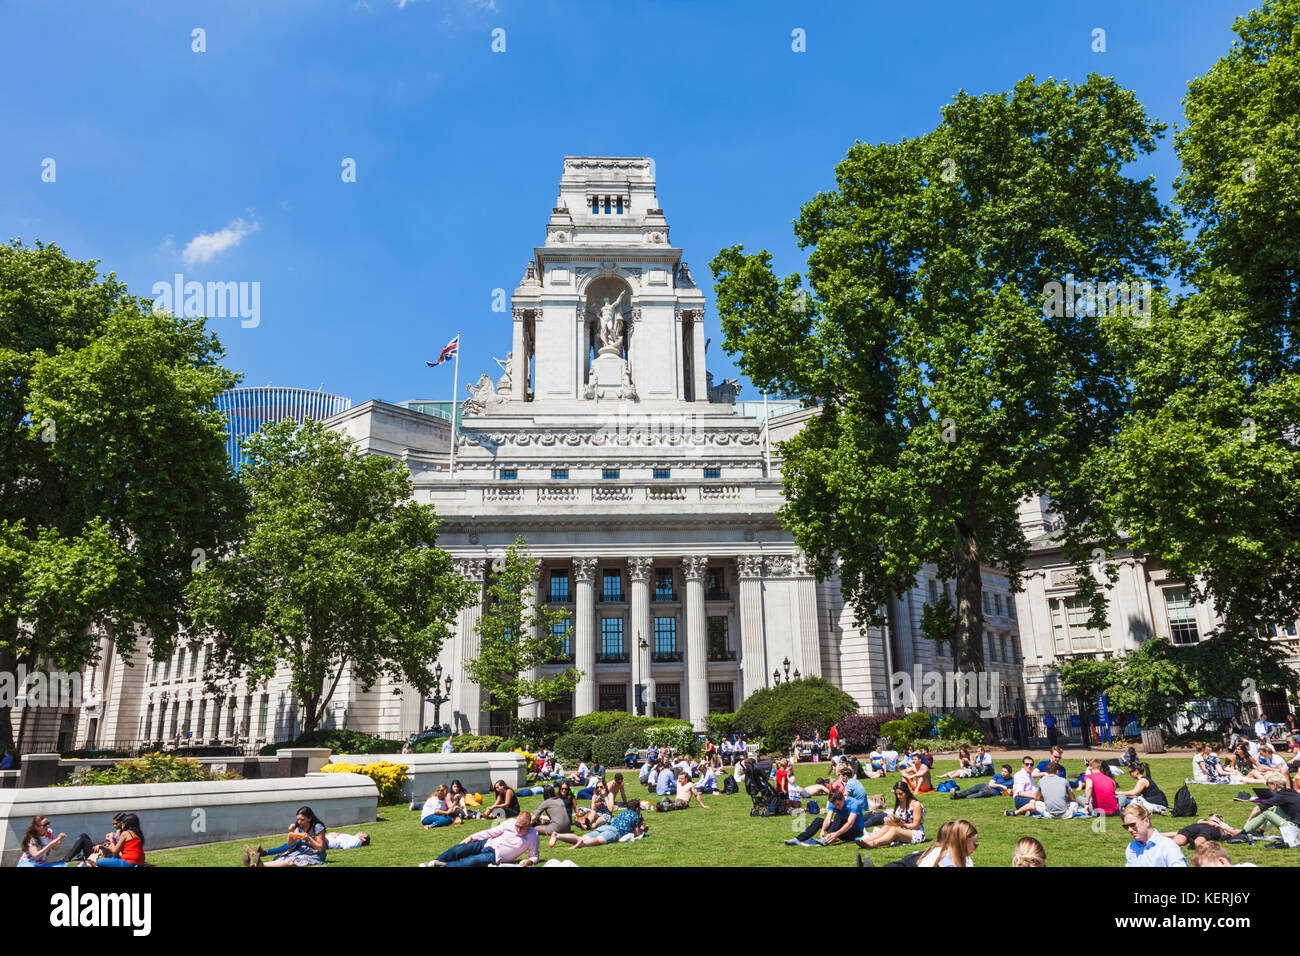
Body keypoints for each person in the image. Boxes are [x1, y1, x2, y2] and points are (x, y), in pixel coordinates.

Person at [424, 811, 540, 867]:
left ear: (529, 825)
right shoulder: (510, 822)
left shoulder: (533, 835)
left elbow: (534, 856)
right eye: (517, 826)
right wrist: (472, 837)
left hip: (495, 855)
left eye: (521, 828)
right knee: (460, 848)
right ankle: (435, 862)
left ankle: (442, 866)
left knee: (471, 861)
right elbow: (492, 832)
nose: (518, 829)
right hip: (487, 843)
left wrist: (529, 861)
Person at [244, 807, 325, 867]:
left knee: (291, 862)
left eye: (302, 819)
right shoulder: (299, 828)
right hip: (302, 852)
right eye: (298, 819)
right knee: (282, 858)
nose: (299, 822)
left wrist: (309, 838)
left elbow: (320, 848)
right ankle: (255, 865)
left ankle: (260, 865)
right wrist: (290, 834)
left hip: (315, 855)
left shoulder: (317, 827)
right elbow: (290, 844)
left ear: (309, 818)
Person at [785, 788, 866, 847]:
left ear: (843, 798)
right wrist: (823, 830)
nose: (836, 807)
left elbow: (850, 823)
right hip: (842, 832)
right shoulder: (833, 802)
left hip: (856, 832)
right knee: (818, 821)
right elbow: (828, 818)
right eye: (835, 805)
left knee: (839, 815)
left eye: (838, 804)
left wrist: (835, 834)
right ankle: (798, 839)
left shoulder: (854, 803)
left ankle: (826, 839)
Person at [856, 782, 926, 849]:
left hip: (915, 832)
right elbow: (897, 820)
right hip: (903, 829)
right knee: (887, 827)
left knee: (894, 830)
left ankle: (875, 843)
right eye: (896, 794)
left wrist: (902, 824)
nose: (898, 796)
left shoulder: (916, 804)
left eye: (900, 794)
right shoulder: (900, 803)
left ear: (907, 793)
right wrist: (890, 820)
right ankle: (867, 840)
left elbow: (915, 825)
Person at [548, 804, 646, 849]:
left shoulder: (622, 813)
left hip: (606, 827)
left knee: (581, 837)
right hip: (614, 832)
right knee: (598, 840)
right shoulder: (635, 816)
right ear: (637, 809)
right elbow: (637, 834)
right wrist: (642, 827)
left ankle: (558, 836)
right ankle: (582, 844)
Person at [1122, 804, 1187, 867]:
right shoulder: (1131, 847)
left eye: (1133, 825)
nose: (1129, 830)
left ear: (1146, 821)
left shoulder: (1168, 846)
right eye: (1126, 827)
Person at [1006, 762, 1078, 818]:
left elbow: (1036, 797)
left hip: (1049, 815)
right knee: (1074, 803)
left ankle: (1018, 812)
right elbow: (1072, 798)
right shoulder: (1064, 781)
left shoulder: (1041, 781)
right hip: (1065, 815)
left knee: (1036, 803)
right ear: (1057, 772)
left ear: (1047, 772)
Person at [1241, 772, 1300, 836]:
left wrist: (1248, 821)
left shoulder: (1281, 796)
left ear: (1274, 785)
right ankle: (1260, 831)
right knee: (1277, 808)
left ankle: (1243, 833)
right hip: (1296, 825)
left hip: (1295, 831)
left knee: (1266, 814)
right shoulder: (1292, 793)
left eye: (1268, 784)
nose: (1268, 787)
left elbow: (1258, 808)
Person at [1166, 814, 1241, 848]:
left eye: (1218, 816)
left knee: (1205, 833)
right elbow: (1199, 822)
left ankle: (1195, 844)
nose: (1213, 816)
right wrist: (1208, 821)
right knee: (1185, 832)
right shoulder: (1203, 820)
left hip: (1214, 828)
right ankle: (1169, 845)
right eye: (1212, 815)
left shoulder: (1224, 825)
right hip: (1197, 826)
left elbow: (1240, 832)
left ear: (1221, 819)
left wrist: (1220, 826)